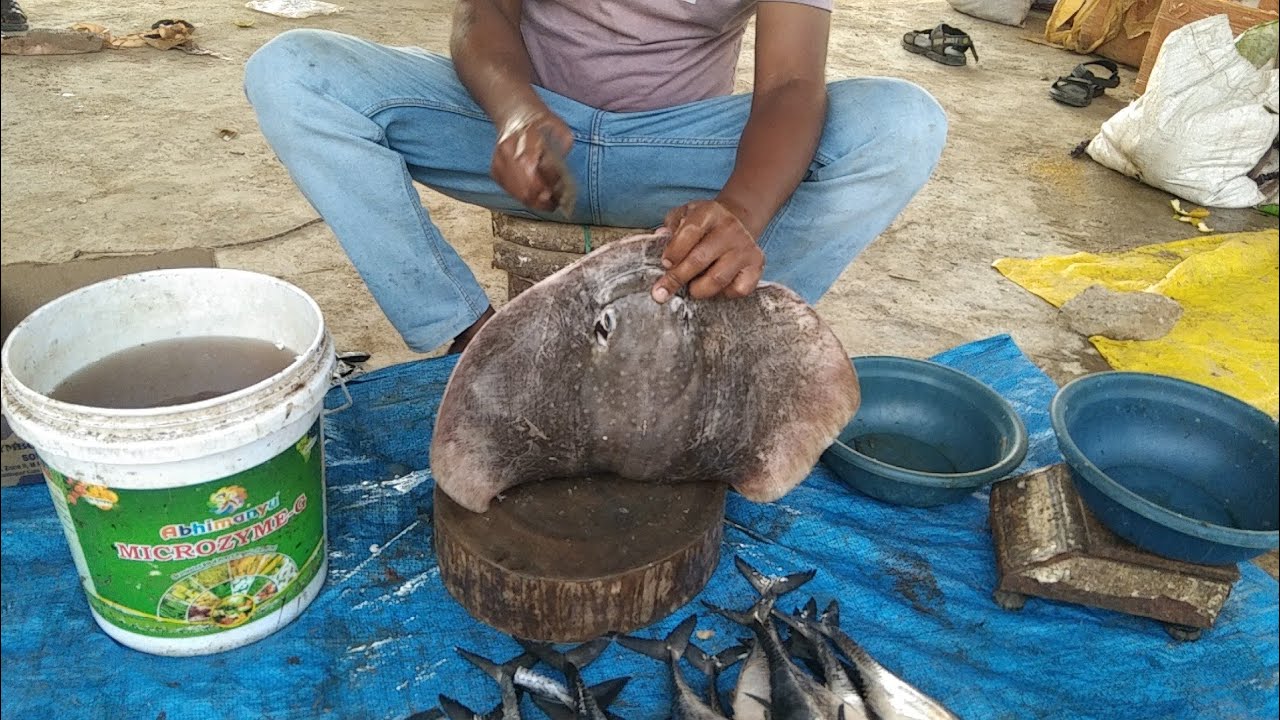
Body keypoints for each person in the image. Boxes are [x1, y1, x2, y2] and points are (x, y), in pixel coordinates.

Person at [244, 1, 946, 354]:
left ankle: (718, 341)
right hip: (529, 136)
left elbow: (792, 83)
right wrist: (512, 108)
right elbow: (481, 13)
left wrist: (739, 208)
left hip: (687, 149)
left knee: (902, 122)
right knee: (294, 72)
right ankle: (472, 343)